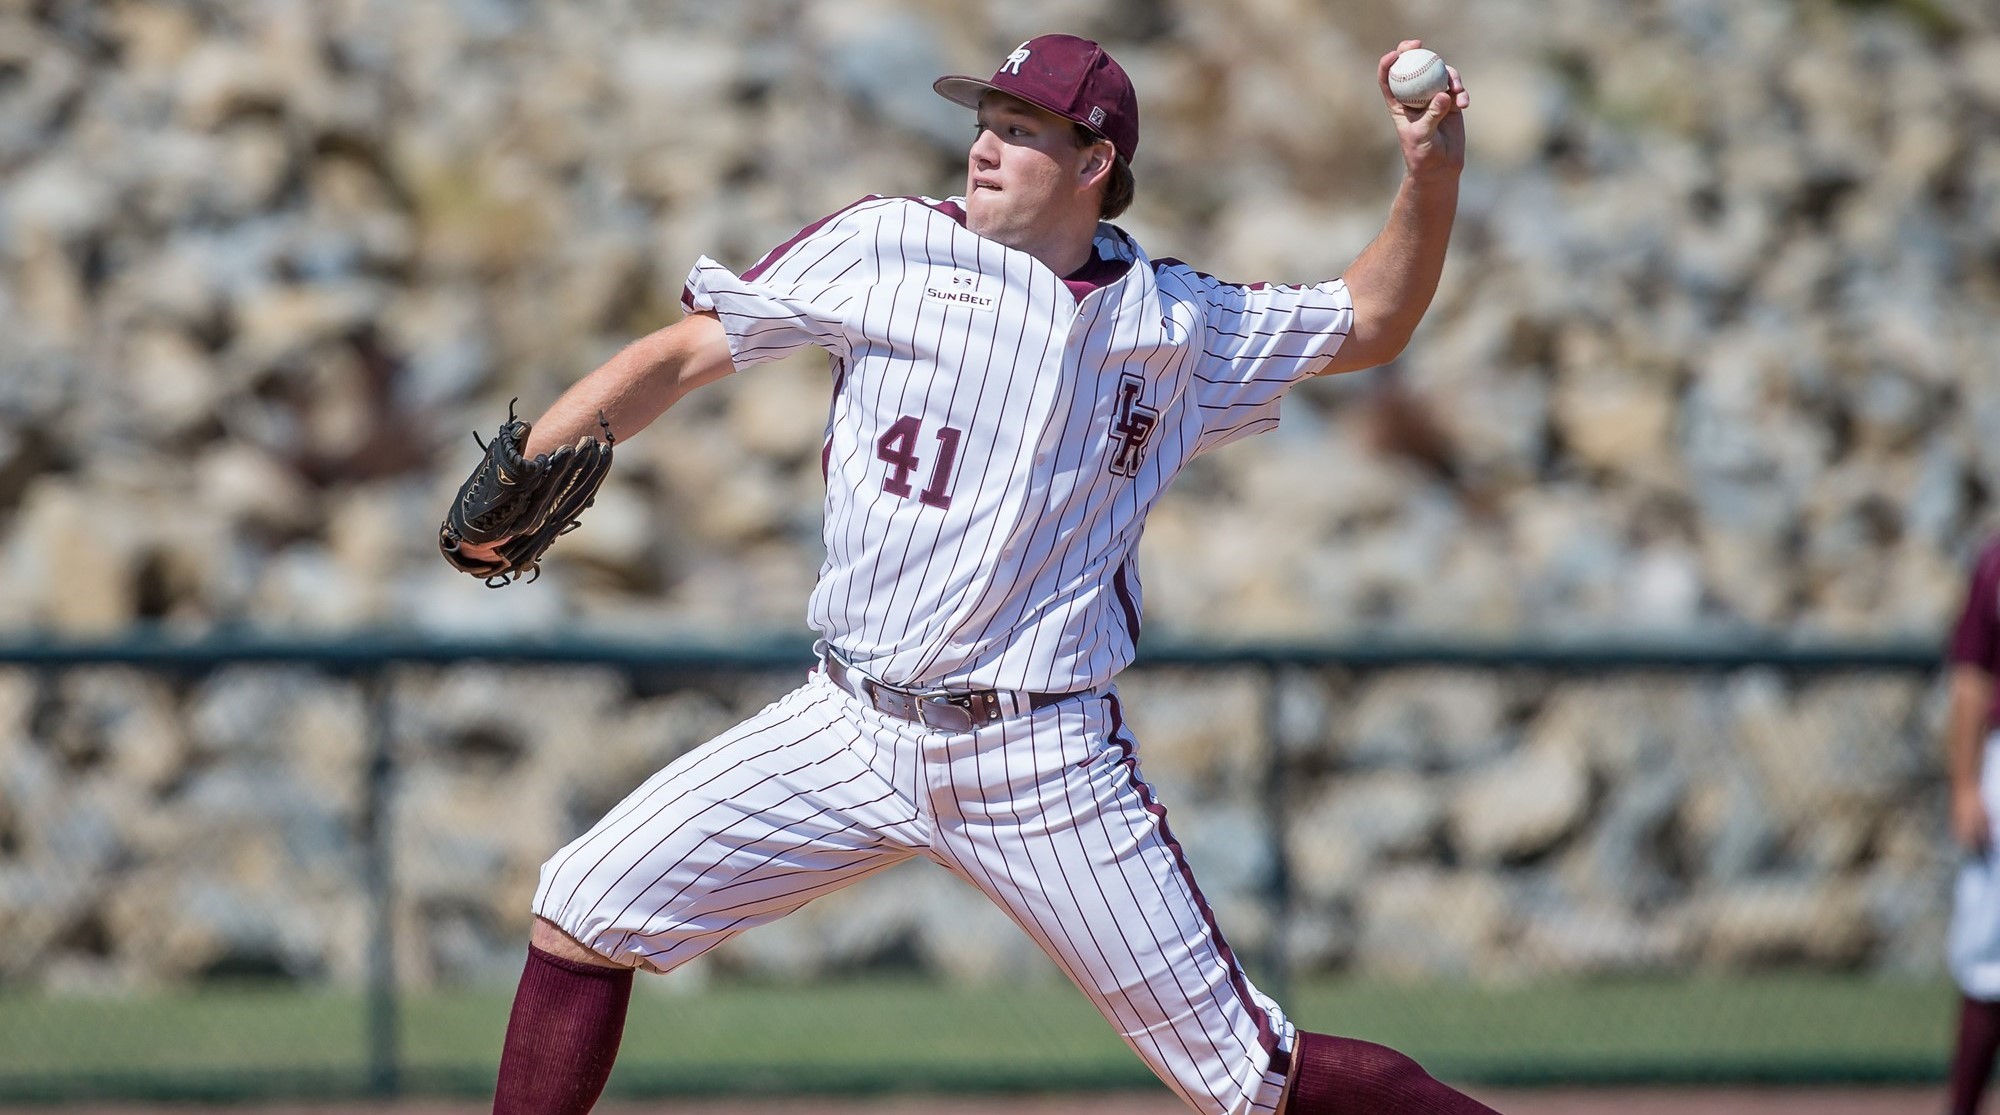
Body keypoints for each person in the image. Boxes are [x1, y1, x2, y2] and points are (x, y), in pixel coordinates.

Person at [467, 33, 1493, 1115]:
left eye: (1018, 131)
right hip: (847, 724)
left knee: (1246, 1075)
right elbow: (682, 351)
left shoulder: (1179, 323)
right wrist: (531, 467)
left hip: (1040, 757)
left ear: (1093, 162)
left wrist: (1432, 173)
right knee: (583, 902)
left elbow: (1372, 317)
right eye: (983, 125)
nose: (983, 151)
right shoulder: (885, 248)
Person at [1948, 534, 2000, 1115]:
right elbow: (1970, 681)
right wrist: (1965, 785)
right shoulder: (1994, 564)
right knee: (1988, 951)